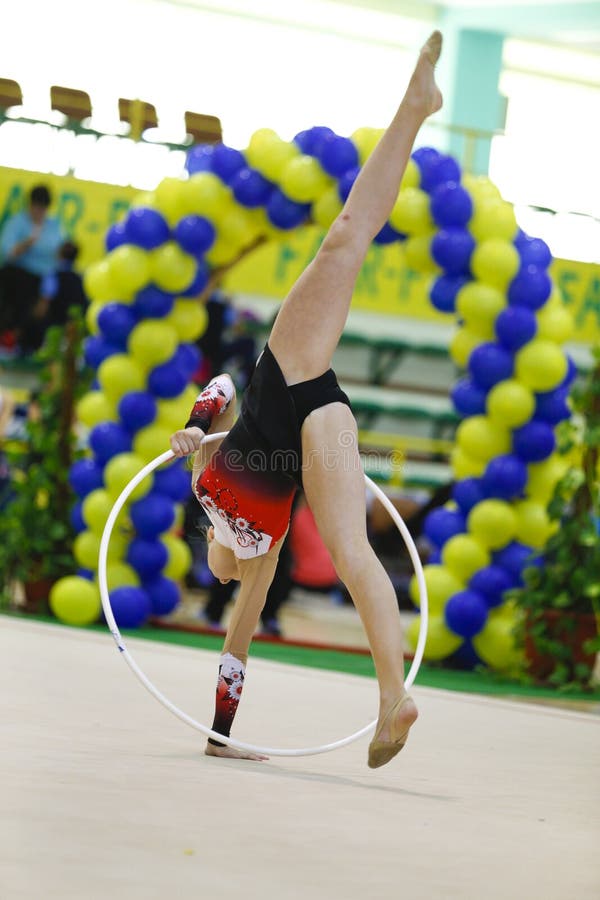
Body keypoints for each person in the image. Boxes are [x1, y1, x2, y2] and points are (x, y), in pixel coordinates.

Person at [170, 31, 443, 768]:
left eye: (216, 565)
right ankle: (394, 698)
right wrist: (221, 736)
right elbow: (237, 649)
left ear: (208, 546)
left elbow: (223, 389)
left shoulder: (206, 486)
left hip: (285, 376)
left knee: (346, 239)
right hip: (311, 411)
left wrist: (195, 428)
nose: (221, 571)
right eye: (221, 571)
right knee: (355, 555)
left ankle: (414, 108)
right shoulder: (259, 557)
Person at [0, 184, 64, 351]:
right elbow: (8, 253)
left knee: (68, 284)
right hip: (18, 274)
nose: (39, 211)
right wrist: (27, 243)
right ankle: (10, 337)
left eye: (43, 208)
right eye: (36, 207)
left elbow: (57, 260)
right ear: (30, 204)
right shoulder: (18, 222)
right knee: (18, 281)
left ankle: (37, 345)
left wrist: (46, 294)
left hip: (44, 278)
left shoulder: (54, 226)